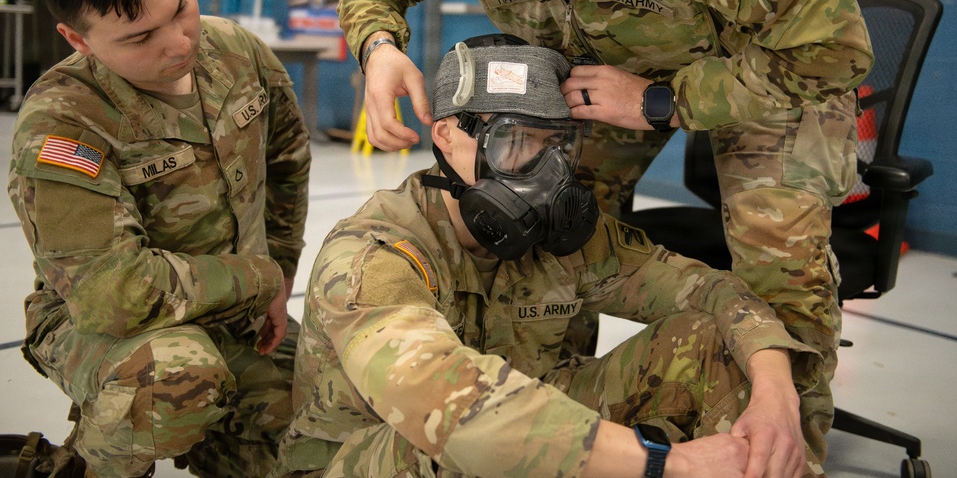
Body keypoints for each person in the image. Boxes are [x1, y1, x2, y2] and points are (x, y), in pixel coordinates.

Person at [337, 0, 875, 461]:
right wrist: (378, 46)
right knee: (544, 215)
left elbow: (832, 51)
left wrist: (662, 100)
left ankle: (789, 451)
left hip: (761, 72)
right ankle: (576, 443)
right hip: (595, 73)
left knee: (777, 271)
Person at [272, 35, 823, 478]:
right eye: (515, 142)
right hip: (379, 457)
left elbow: (713, 291)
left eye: (557, 145)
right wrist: (667, 464)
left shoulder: (561, 237)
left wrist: (776, 397)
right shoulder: (375, 257)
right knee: (468, 446)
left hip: (523, 426)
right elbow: (456, 409)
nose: (544, 172)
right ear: (445, 135)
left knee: (710, 346)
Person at [8, 0, 312, 478]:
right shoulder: (64, 121)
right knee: (175, 377)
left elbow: (287, 159)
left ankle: (215, 438)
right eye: (140, 37)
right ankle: (77, 468)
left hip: (237, 315)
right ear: (78, 40)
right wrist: (259, 278)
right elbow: (111, 292)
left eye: (182, 6)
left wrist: (284, 268)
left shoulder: (236, 53)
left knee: (334, 439)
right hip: (103, 325)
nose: (180, 42)